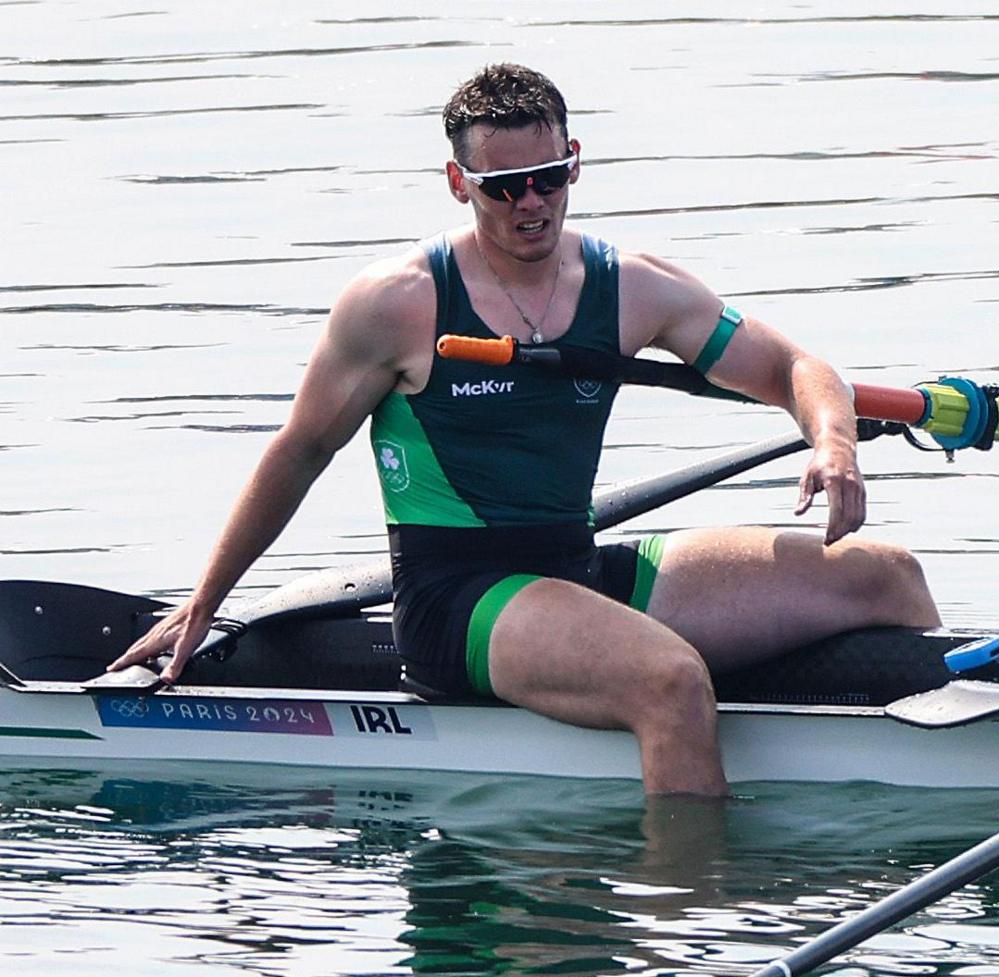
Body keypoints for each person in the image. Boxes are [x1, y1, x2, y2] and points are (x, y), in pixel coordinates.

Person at [111, 63, 941, 798]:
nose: (530, 203)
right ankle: (691, 911)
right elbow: (300, 451)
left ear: (573, 161)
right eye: (500, 186)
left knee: (885, 576)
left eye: (547, 177)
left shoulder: (635, 287)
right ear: (456, 182)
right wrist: (206, 600)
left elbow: (797, 367)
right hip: (457, 598)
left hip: (572, 566)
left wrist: (832, 443)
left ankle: (940, 755)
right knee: (669, 681)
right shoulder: (398, 304)